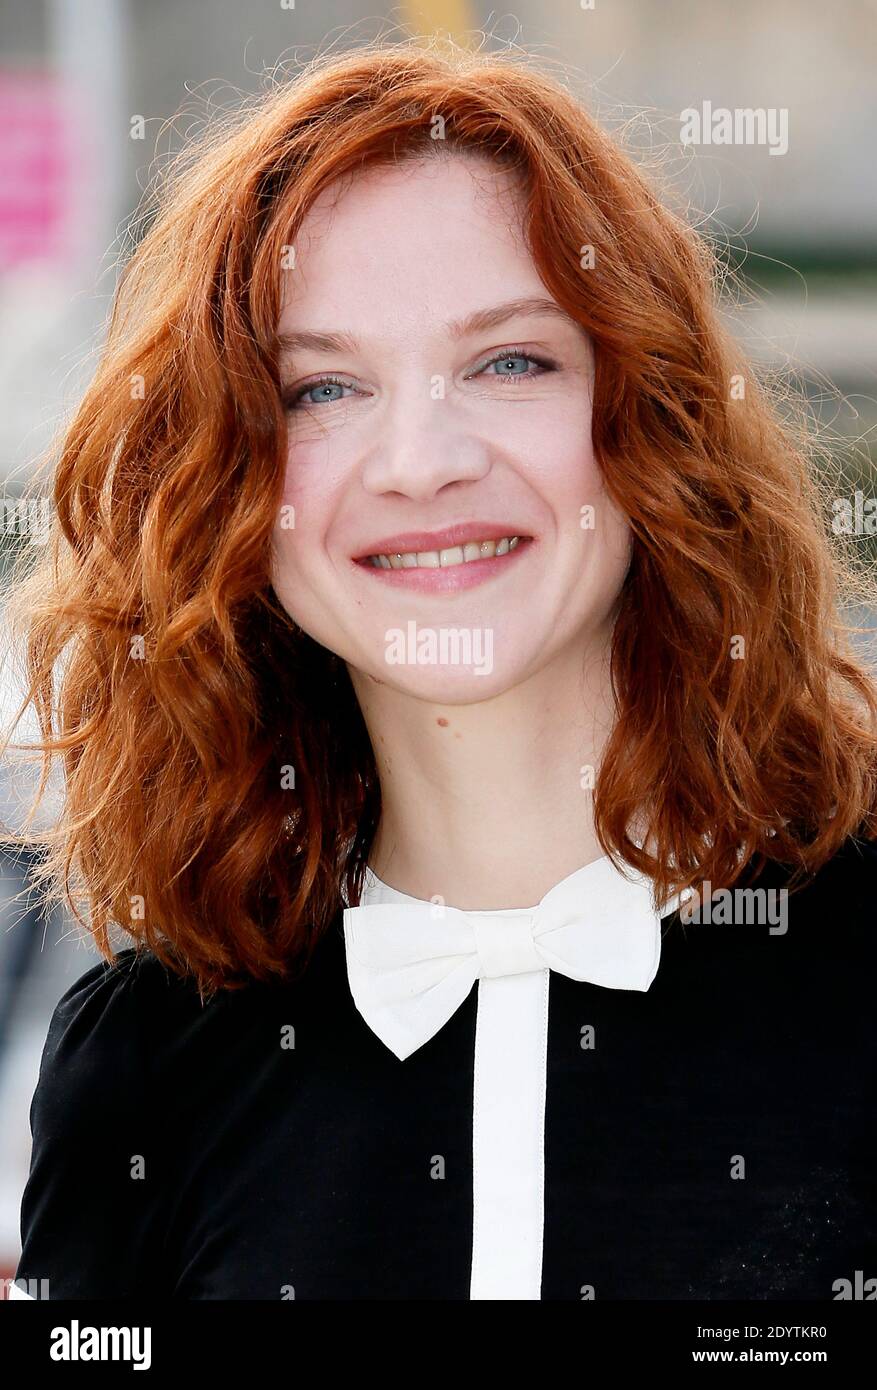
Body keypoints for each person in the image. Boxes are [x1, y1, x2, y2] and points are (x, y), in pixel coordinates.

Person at [3, 37, 876, 1301]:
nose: (419, 460)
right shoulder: (144, 1066)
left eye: (508, 361)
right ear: (227, 488)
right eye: (320, 389)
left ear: (647, 414)